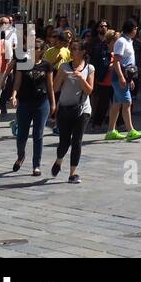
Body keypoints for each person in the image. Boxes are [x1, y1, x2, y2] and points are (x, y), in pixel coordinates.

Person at [51, 40, 95, 183]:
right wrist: (61, 76)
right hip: (64, 108)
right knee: (64, 141)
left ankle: (73, 173)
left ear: (82, 52)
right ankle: (59, 160)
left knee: (77, 140)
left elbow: (89, 91)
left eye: (75, 49)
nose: (72, 51)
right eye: (71, 48)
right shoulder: (64, 66)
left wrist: (81, 78)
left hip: (83, 109)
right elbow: (55, 89)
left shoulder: (90, 68)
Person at [9, 38, 54, 174]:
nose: (32, 50)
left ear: (41, 51)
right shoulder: (23, 63)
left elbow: (50, 86)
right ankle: (21, 156)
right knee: (22, 134)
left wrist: (53, 103)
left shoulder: (47, 65)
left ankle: (36, 165)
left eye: (35, 48)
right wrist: (14, 95)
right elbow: (17, 82)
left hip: (42, 103)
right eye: (31, 48)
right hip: (25, 102)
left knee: (38, 134)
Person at [106, 18, 141, 141]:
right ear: (132, 29)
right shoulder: (121, 41)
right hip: (119, 76)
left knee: (117, 104)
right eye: (136, 28)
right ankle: (130, 130)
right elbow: (116, 61)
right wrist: (121, 77)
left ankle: (111, 131)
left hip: (126, 76)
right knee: (127, 102)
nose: (137, 30)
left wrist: (129, 79)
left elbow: (128, 61)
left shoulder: (128, 41)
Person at [88, 24, 112, 130]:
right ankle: (96, 119)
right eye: (101, 26)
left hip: (111, 79)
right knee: (100, 99)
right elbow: (98, 60)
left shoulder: (113, 49)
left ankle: (114, 122)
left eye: (105, 26)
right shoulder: (98, 44)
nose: (103, 28)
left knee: (114, 101)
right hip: (101, 75)